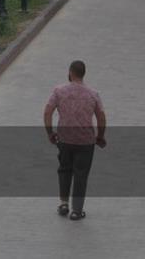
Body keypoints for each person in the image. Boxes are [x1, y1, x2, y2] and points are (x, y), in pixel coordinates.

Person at [44, 60, 106, 220]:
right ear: (83, 74)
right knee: (81, 174)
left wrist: (50, 132)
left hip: (65, 139)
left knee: (64, 169)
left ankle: (64, 204)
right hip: (86, 141)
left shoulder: (59, 91)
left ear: (70, 73)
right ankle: (77, 211)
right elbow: (101, 117)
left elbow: (47, 112)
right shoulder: (93, 94)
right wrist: (100, 136)